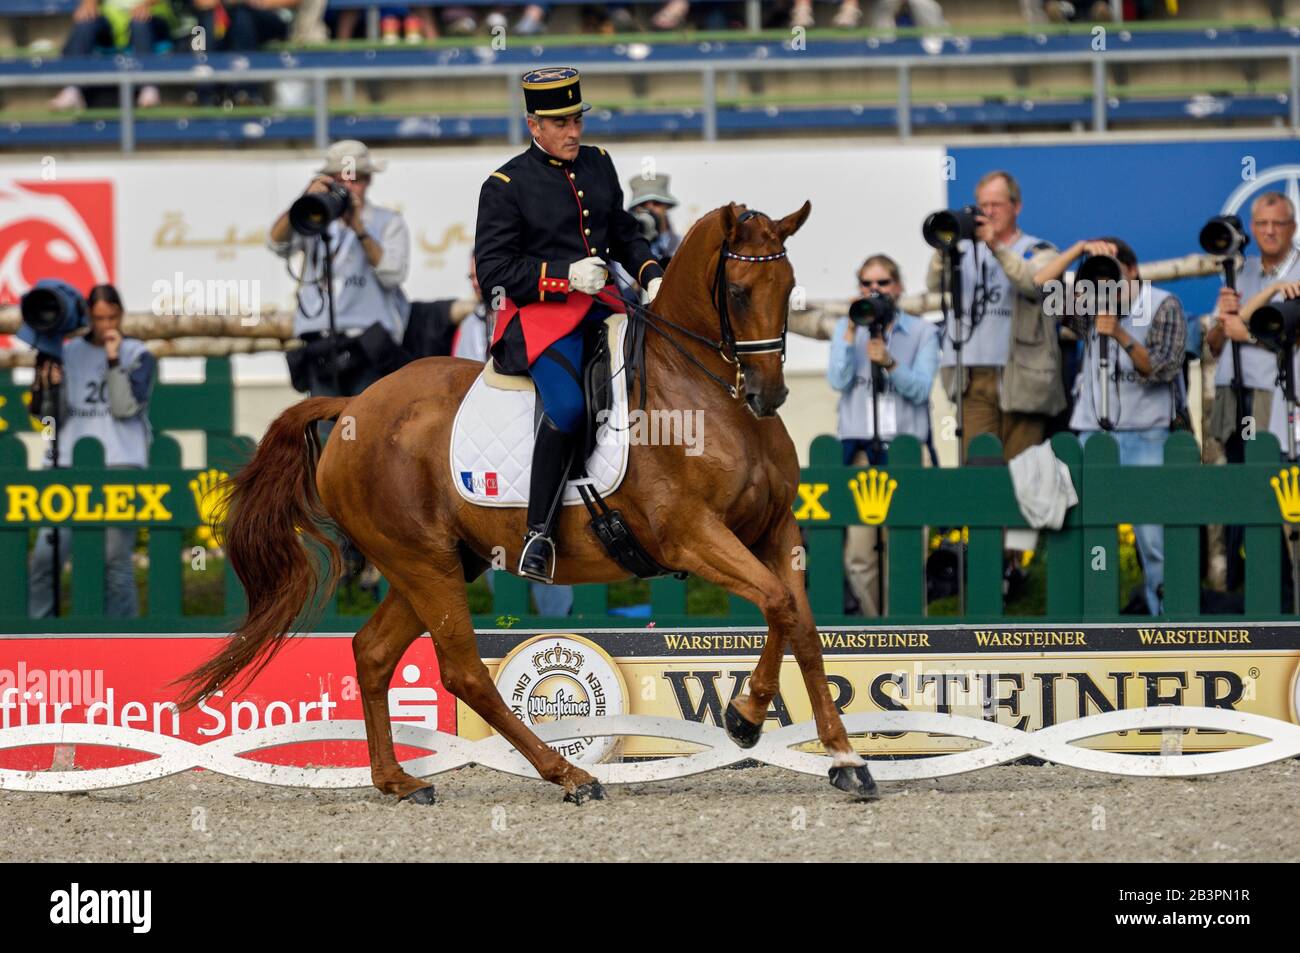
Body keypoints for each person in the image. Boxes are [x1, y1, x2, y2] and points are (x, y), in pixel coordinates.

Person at [474, 67, 664, 584]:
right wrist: (561, 276)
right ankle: (539, 531)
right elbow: (494, 273)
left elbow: (622, 232)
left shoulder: (599, 163)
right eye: (560, 123)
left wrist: (651, 275)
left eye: (577, 119)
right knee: (567, 407)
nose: (574, 132)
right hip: (540, 316)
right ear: (534, 126)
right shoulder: (505, 185)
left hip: (604, 302)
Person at [1040, 237, 1186, 615]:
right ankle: (1093, 617)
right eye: (1101, 276)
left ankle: (1164, 620)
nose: (1108, 283)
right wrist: (1080, 254)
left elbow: (1163, 368)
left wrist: (1119, 333)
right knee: (1090, 531)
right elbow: (1041, 286)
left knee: (1154, 536)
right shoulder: (1089, 302)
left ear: (1133, 272)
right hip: (1093, 431)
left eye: (1114, 273)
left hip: (1146, 433)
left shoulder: (1162, 304)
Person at [28, 285, 156, 618]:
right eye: (98, 318)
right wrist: (51, 383)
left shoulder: (136, 352)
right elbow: (45, 415)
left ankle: (122, 638)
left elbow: (125, 407)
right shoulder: (65, 352)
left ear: (121, 315)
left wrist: (113, 360)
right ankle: (39, 634)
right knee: (46, 556)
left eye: (112, 317)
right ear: (87, 317)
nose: (105, 325)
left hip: (121, 464)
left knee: (115, 561)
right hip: (68, 464)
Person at [268, 139, 411, 428]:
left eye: (355, 180)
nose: (347, 188)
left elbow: (392, 274)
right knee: (324, 436)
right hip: (322, 346)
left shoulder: (386, 221)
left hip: (368, 346)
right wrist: (303, 200)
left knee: (368, 434)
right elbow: (275, 241)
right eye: (338, 180)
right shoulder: (313, 217)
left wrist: (358, 227)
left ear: (368, 181)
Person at [827, 254, 938, 615]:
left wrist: (890, 362)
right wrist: (848, 332)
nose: (875, 291)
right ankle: (874, 629)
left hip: (905, 452)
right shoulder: (849, 331)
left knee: (906, 549)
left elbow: (921, 390)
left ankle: (908, 629)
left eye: (883, 283)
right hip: (861, 452)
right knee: (860, 553)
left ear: (899, 287)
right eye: (867, 284)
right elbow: (838, 381)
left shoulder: (922, 332)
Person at [927, 170, 1064, 463]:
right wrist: (944, 247)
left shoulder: (1038, 249)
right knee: (978, 467)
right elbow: (933, 285)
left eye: (996, 205)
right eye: (983, 205)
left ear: (1017, 206)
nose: (988, 213)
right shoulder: (961, 251)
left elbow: (1033, 282)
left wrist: (996, 247)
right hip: (972, 376)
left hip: (1023, 376)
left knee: (1023, 470)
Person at [1205, 192, 1300, 590]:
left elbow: (1290, 338)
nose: (1269, 231)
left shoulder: (1297, 273)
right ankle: (1227, 581)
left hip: (1272, 395)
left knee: (1273, 487)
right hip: (1231, 391)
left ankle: (1287, 585)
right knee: (1226, 485)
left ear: (1293, 227)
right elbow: (1213, 344)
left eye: (1278, 223)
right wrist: (1224, 323)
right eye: (1262, 223)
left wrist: (1249, 333)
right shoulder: (1238, 274)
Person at [49, 0, 176, 111]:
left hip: (150, 17)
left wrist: (146, 4)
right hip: (113, 23)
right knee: (85, 23)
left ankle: (148, 87)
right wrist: (89, 3)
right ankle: (72, 89)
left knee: (140, 24)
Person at [627, 172, 681, 269]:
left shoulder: (681, 244)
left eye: (657, 203)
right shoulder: (624, 248)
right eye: (643, 204)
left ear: (666, 207)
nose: (650, 208)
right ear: (635, 210)